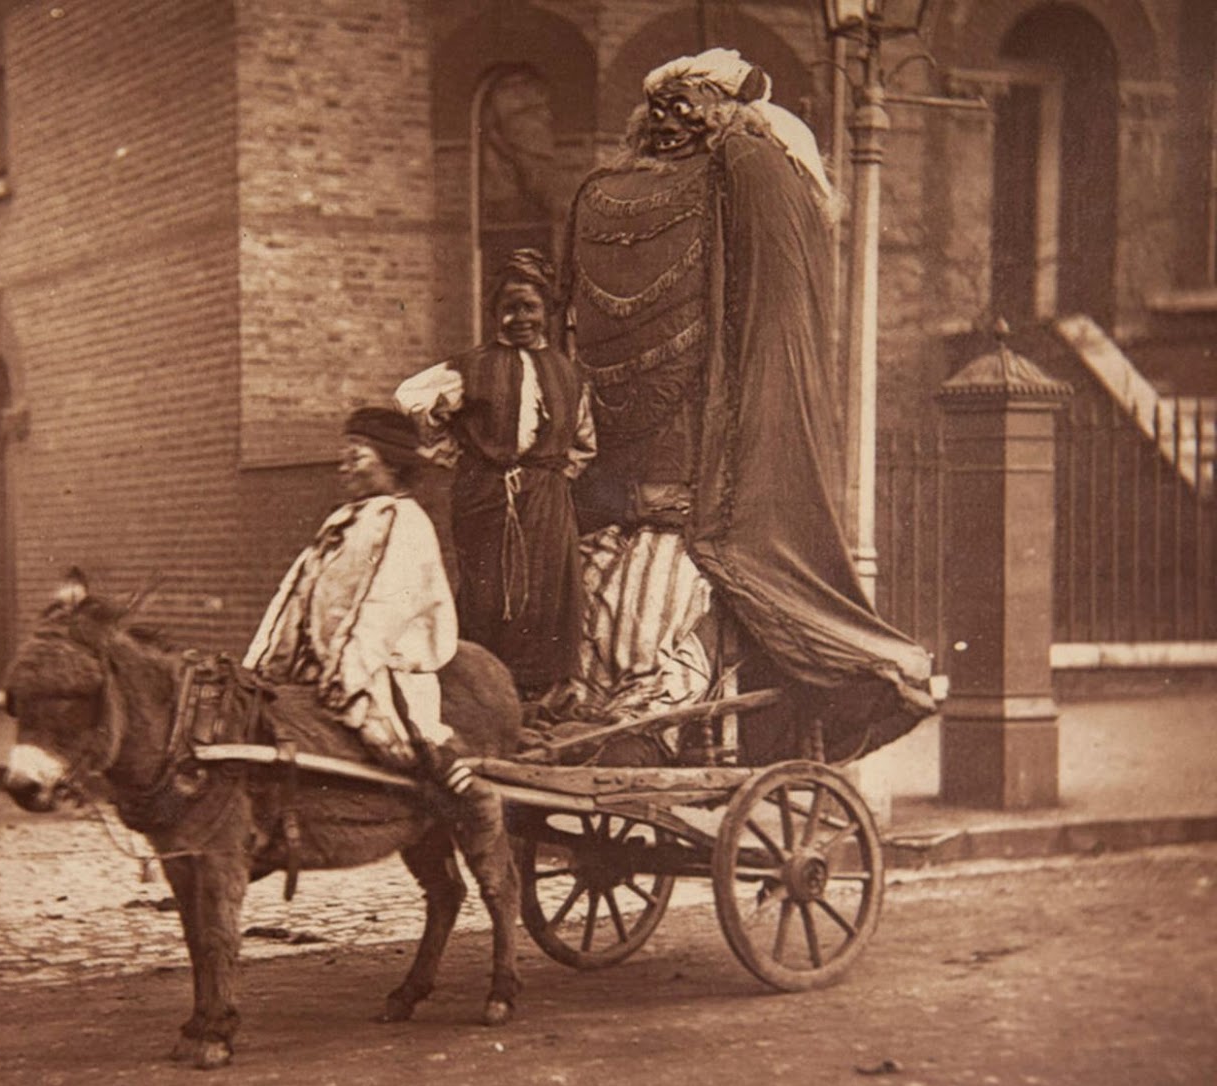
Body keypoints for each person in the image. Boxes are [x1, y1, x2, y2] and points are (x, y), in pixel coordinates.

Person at [559, 48, 935, 761]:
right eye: (661, 112)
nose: (669, 125)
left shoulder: (752, 165)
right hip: (630, 496)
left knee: (660, 612)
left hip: (694, 490)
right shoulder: (623, 190)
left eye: (687, 110)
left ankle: (657, 719)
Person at [244, 407, 476, 798]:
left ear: (392, 462)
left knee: (406, 750)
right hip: (324, 675)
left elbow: (379, 613)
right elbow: (292, 599)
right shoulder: (343, 521)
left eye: (356, 456)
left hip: (377, 676)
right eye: (344, 455)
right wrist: (259, 671)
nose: (344, 466)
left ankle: (471, 799)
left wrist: (341, 684)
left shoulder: (404, 523)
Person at [394, 248, 596, 699]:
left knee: (545, 593)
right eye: (509, 307)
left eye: (530, 307)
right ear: (494, 312)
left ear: (546, 311)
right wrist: (456, 453)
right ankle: (483, 692)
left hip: (546, 499)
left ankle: (537, 697)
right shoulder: (471, 367)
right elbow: (410, 399)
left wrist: (551, 478)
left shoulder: (568, 375)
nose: (520, 318)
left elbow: (584, 441)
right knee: (488, 594)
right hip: (484, 494)